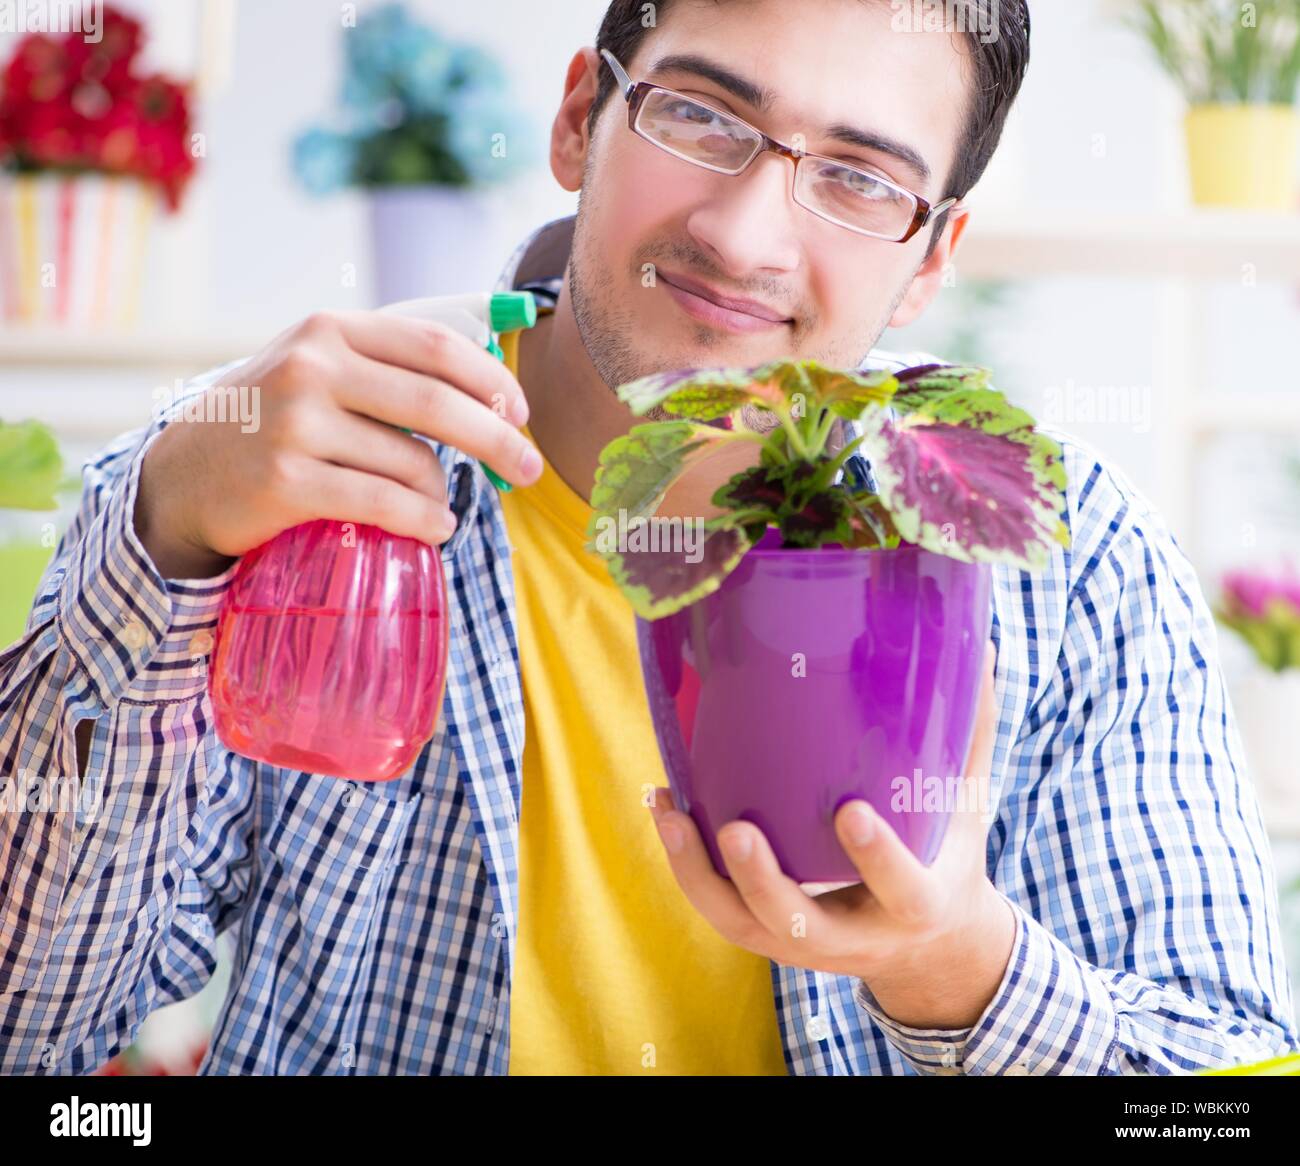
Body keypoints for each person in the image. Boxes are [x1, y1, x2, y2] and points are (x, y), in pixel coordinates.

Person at [1, 0, 1295, 1076]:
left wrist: (957, 968)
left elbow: (1225, 1083)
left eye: (858, 178)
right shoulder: (272, 470)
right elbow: (28, 1029)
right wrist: (164, 537)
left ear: (935, 251)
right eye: (699, 115)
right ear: (580, 120)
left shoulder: (1071, 561)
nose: (742, 234)